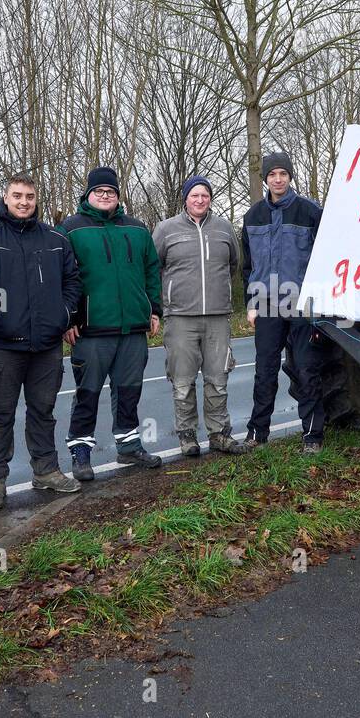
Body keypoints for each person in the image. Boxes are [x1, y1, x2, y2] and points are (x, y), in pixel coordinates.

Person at [0, 172, 82, 508]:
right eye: (17, 196)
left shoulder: (55, 240)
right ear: (5, 197)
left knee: (43, 410)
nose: (24, 202)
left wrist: (62, 314)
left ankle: (45, 470)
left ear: (36, 198)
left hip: (46, 345)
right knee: (0, 414)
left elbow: (72, 281)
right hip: (2, 345)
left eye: (29, 196)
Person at [57, 166, 164, 480]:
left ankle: (129, 447)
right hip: (90, 330)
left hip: (132, 327)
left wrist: (153, 309)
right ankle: (80, 452)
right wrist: (70, 318)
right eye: (99, 191)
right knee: (87, 393)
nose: (105, 196)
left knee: (129, 391)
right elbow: (63, 278)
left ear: (119, 196)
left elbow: (151, 272)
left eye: (111, 192)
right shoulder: (70, 229)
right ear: (88, 194)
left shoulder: (138, 229)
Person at [153, 176, 248, 457]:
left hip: (218, 317)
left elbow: (233, 263)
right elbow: (153, 267)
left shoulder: (224, 228)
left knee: (217, 379)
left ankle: (219, 434)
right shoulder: (166, 230)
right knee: (182, 381)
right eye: (194, 195)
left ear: (210, 198)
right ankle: (187, 436)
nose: (199, 200)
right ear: (185, 198)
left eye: (205, 195)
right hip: (180, 318)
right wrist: (164, 302)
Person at [241, 151, 325, 453]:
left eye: (283, 174)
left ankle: (313, 436)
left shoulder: (310, 212)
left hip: (301, 304)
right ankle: (257, 434)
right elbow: (248, 266)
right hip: (266, 305)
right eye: (272, 175)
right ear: (266, 179)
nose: (278, 179)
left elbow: (323, 259)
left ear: (290, 177)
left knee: (306, 368)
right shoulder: (252, 217)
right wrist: (251, 302)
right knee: (264, 370)